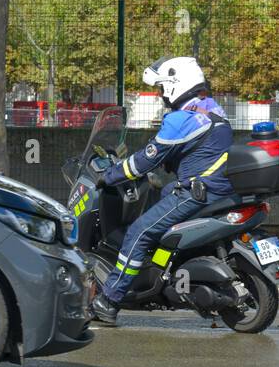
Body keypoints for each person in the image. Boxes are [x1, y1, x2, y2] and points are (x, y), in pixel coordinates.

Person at [89, 56, 235, 325]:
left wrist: (110, 176)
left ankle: (110, 299)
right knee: (164, 193)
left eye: (161, 88)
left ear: (174, 85)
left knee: (139, 231)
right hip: (219, 187)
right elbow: (199, 150)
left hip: (195, 192)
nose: (160, 94)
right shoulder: (213, 110)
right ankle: (158, 269)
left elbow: (145, 160)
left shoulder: (182, 119)